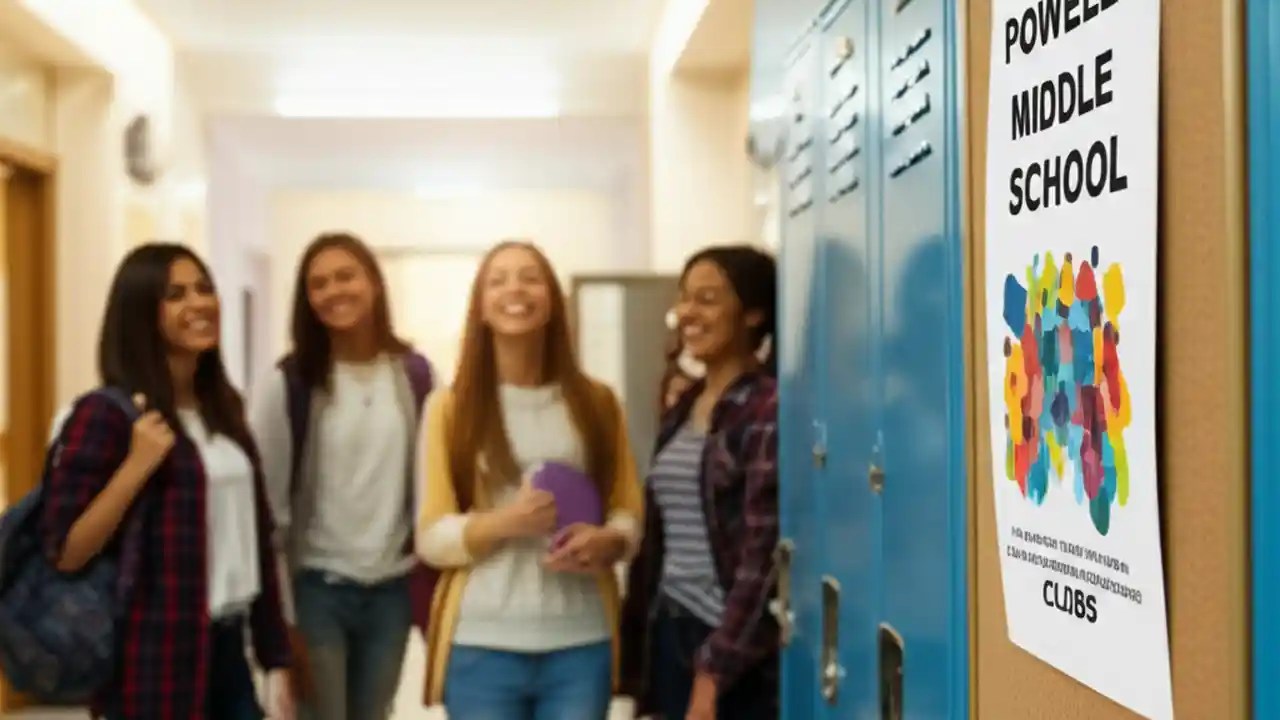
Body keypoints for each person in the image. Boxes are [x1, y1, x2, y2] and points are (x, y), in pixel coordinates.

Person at [40, 243, 293, 720]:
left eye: (204, 288)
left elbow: (257, 536)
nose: (199, 303)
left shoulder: (225, 407)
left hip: (228, 648)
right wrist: (136, 467)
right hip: (149, 657)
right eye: (175, 294)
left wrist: (275, 656)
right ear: (141, 313)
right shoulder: (105, 415)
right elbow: (65, 550)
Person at [416, 239, 644, 719]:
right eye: (497, 280)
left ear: (552, 303)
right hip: (482, 644)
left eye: (530, 277)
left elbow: (627, 508)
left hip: (581, 641)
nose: (514, 289)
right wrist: (506, 523)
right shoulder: (449, 408)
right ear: (480, 307)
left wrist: (614, 541)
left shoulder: (598, 402)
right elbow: (432, 537)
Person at [250, 232, 434, 720]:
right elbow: (266, 512)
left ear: (373, 282)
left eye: (346, 276)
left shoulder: (416, 376)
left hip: (391, 589)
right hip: (317, 590)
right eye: (318, 284)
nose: (334, 291)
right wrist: (280, 620)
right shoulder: (288, 383)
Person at [620, 245, 781, 720]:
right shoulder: (684, 405)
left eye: (707, 299)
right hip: (671, 626)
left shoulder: (766, 409)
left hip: (728, 647)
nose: (688, 312)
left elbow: (763, 557)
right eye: (684, 298)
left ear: (753, 314)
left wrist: (713, 670)